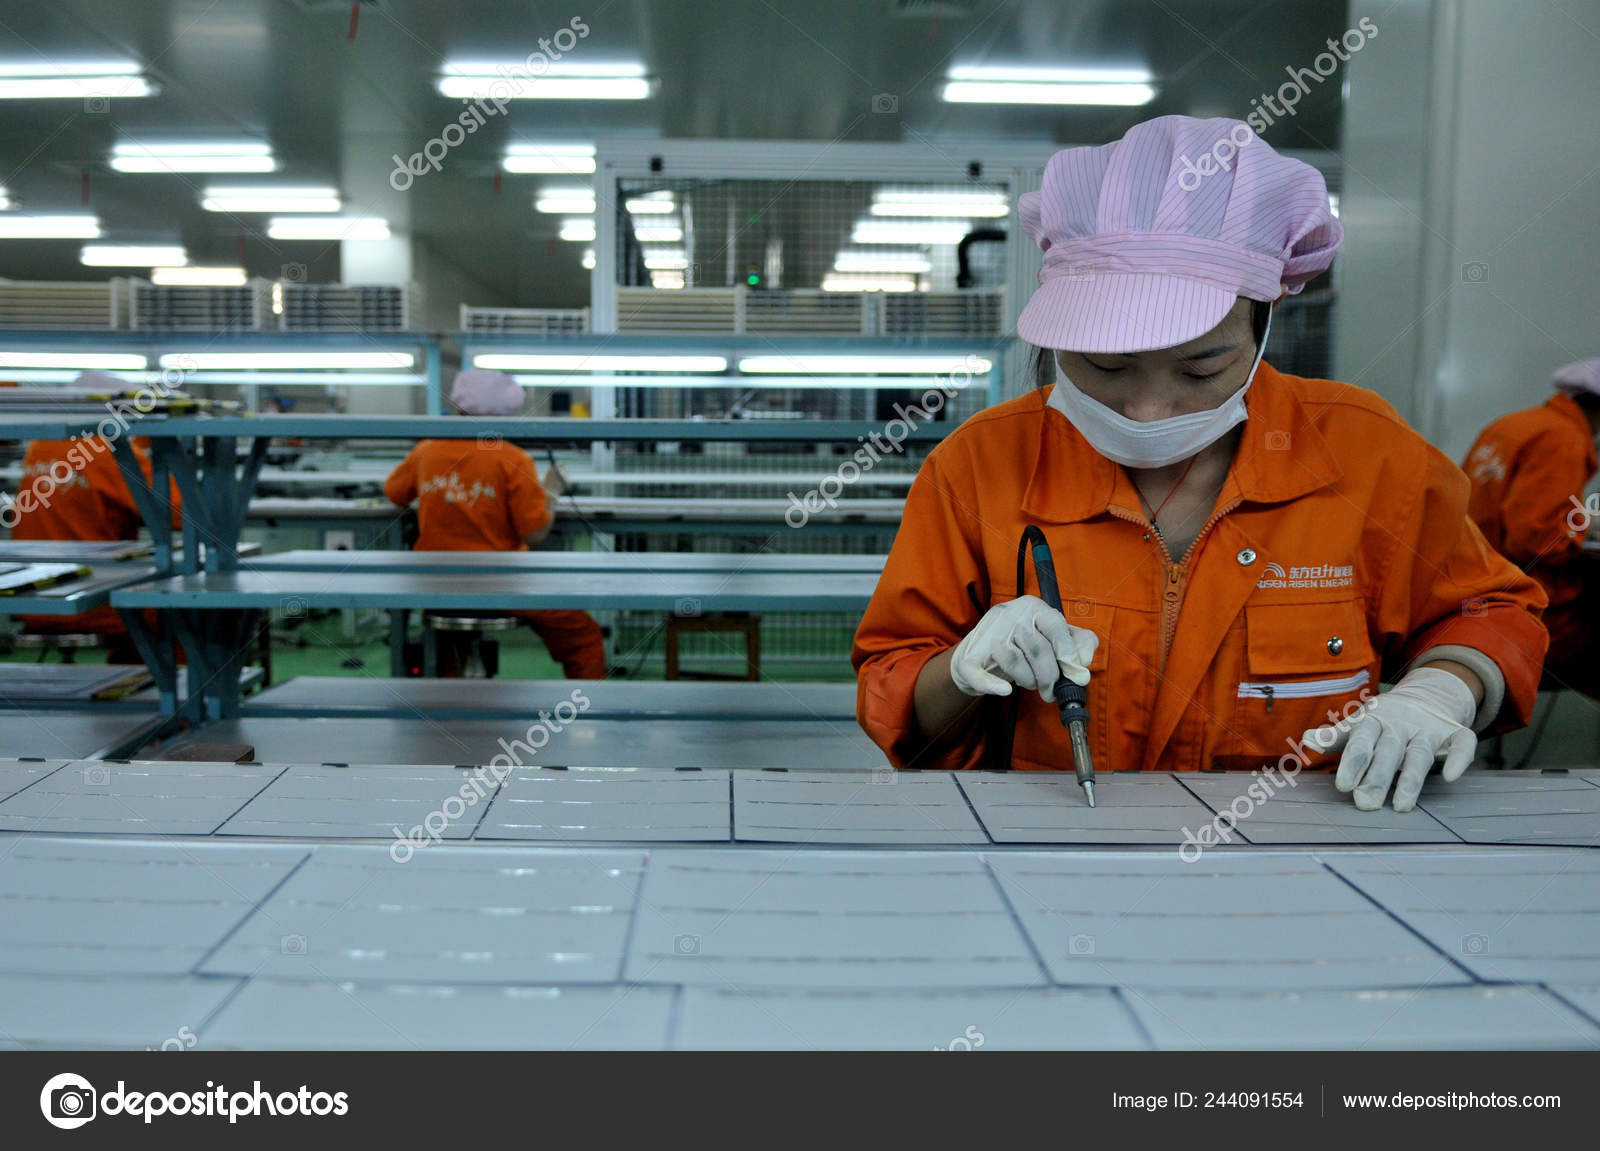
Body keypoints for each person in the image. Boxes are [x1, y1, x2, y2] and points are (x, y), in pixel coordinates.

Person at [852, 116, 1548, 813]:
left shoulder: (1365, 453)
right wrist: (964, 670)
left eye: (1201, 367)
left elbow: (1489, 612)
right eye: (1107, 365)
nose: (1150, 409)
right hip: (1057, 852)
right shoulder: (980, 465)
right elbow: (897, 690)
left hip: (1297, 860)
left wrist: (1443, 689)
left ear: (1265, 323)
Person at [383, 368, 606, 679]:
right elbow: (535, 533)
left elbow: (394, 494)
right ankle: (588, 716)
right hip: (501, 585)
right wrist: (551, 491)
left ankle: (449, 710)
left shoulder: (427, 449)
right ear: (505, 413)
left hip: (435, 586)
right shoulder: (512, 459)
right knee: (582, 636)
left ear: (459, 407)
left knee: (448, 646)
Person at [9, 371, 183, 663]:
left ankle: (130, 685)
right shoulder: (108, 448)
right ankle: (160, 699)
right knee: (183, 610)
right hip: (90, 597)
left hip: (31, 594)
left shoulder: (42, 445)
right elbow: (181, 514)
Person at [1463, 359, 1600, 698]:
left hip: (1473, 594)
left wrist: (1581, 518)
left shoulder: (1513, 424)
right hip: (1527, 610)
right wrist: (1580, 530)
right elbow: (1536, 541)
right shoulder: (1563, 438)